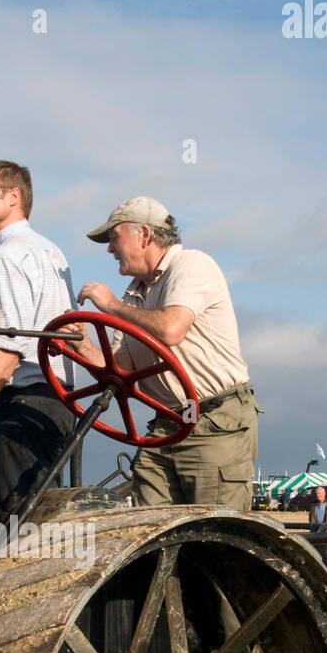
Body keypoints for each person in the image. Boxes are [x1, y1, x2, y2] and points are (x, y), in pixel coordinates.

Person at [75, 196, 259, 510]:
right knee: (151, 529)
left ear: (144, 235)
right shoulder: (133, 294)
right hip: (167, 425)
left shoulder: (192, 265)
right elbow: (120, 371)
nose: (109, 249)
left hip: (214, 423)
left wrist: (110, 308)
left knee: (211, 536)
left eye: (113, 238)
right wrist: (82, 345)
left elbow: (171, 330)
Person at [0, 160, 75, 515]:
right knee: (43, 516)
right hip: (57, 404)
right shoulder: (49, 250)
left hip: (25, 403)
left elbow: (8, 348)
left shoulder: (8, 257)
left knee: (21, 522)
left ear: (13, 196)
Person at [309, 485, 327, 573]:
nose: (318, 495)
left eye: (319, 493)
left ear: (324, 494)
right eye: (316, 494)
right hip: (316, 533)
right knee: (317, 553)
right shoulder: (313, 505)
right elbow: (311, 518)